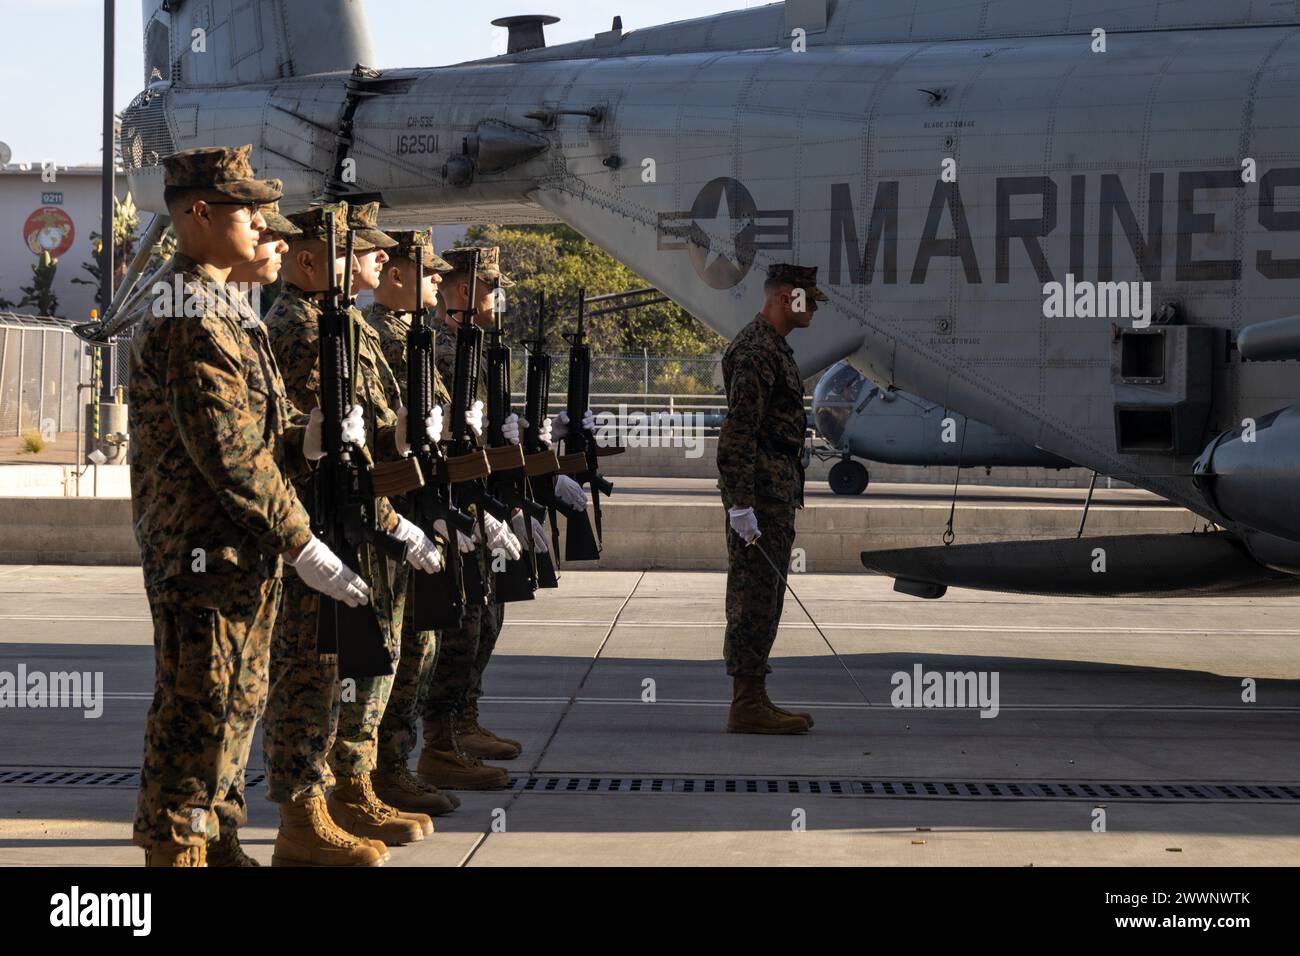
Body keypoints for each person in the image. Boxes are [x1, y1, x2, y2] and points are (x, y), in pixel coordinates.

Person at [129, 147, 370, 867]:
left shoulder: (222, 310)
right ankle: (179, 854)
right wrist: (303, 542)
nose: (266, 224)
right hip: (204, 553)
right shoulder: (193, 315)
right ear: (199, 214)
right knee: (199, 714)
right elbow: (229, 458)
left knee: (231, 707)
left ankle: (221, 842)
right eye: (250, 210)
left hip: (236, 552)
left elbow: (251, 436)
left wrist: (308, 439)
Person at [262, 202, 444, 866]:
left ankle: (350, 788)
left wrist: (402, 435)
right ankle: (303, 816)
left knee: (346, 667)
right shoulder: (299, 328)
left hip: (357, 519)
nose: (375, 258)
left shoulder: (335, 326)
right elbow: (306, 446)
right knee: (309, 676)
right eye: (358, 250)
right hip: (319, 525)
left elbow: (364, 425)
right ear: (312, 261)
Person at [362, 228, 463, 815]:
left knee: (418, 643)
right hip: (394, 510)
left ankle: (394, 764)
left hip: (421, 504)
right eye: (429, 274)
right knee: (395, 649)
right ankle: (377, 772)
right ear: (397, 275)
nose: (438, 284)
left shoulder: (410, 335)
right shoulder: (377, 334)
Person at [418, 245, 523, 789]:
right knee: (463, 624)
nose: (497, 296)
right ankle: (442, 736)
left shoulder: (479, 347)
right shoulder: (441, 350)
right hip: (453, 508)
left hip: (481, 501)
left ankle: (463, 719)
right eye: (490, 286)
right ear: (464, 291)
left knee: (487, 619)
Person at [716, 263, 826, 734]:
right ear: (785, 297)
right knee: (752, 596)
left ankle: (755, 696)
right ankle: (746, 703)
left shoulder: (773, 348)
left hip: (773, 490)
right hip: (759, 494)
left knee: (766, 595)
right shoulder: (757, 350)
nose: (814, 307)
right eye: (808, 299)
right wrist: (740, 503)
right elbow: (739, 432)